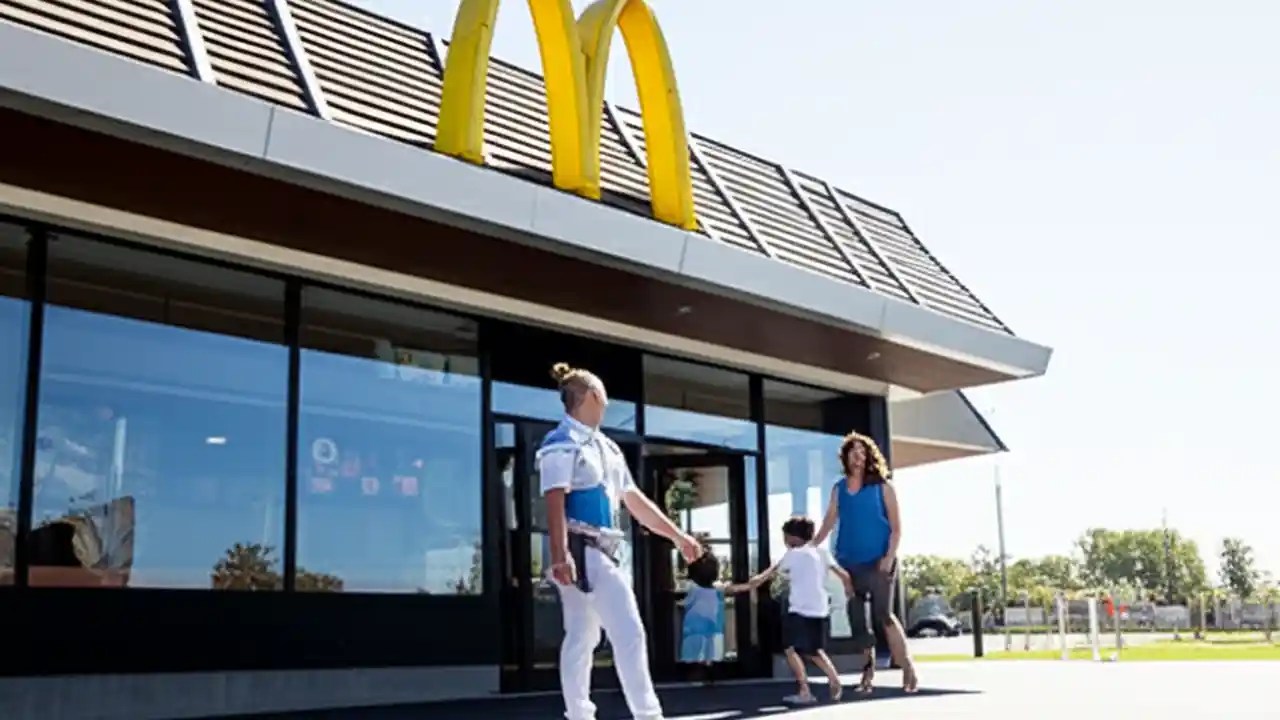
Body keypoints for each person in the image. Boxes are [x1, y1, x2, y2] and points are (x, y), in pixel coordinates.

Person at [539, 362, 703, 720]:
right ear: (594, 396)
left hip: (603, 551)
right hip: (583, 549)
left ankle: (579, 714)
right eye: (605, 395)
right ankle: (647, 715)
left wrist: (677, 536)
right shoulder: (561, 442)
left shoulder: (609, 448)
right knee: (626, 630)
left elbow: (634, 500)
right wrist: (560, 554)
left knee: (582, 635)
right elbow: (554, 498)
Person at [812, 431, 920, 693]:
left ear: (870, 456)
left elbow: (896, 528)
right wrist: (810, 548)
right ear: (846, 457)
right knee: (858, 620)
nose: (858, 456)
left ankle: (908, 668)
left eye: (862, 451)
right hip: (849, 563)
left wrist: (889, 557)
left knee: (883, 614)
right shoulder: (839, 489)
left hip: (879, 562)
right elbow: (829, 523)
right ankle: (867, 675)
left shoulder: (883, 487)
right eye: (853, 451)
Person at [739, 516, 852, 705]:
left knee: (790, 649)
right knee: (814, 650)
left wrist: (754, 581)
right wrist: (848, 590)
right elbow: (844, 575)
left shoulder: (792, 555)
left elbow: (771, 572)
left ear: (792, 537)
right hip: (820, 609)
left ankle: (804, 691)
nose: (784, 542)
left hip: (799, 609)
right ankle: (834, 678)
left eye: (785, 537)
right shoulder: (821, 553)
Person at [678, 551, 752, 684]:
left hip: (693, 630)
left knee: (695, 655)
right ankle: (709, 674)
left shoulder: (691, 589)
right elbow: (737, 588)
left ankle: (697, 675)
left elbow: (681, 602)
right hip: (713, 629)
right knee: (710, 654)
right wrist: (755, 582)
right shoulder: (718, 589)